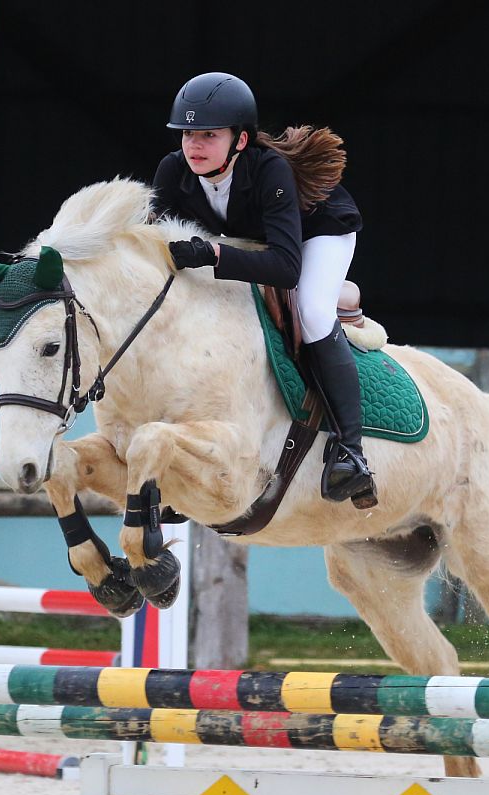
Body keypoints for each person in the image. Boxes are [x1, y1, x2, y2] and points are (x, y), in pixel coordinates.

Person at [151, 71, 375, 507]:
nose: (193, 145)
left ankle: (352, 451)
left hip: (316, 235)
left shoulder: (270, 170)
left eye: (208, 135)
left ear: (240, 141)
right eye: (187, 134)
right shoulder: (172, 170)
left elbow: (286, 267)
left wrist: (213, 256)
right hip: (252, 243)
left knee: (311, 309)